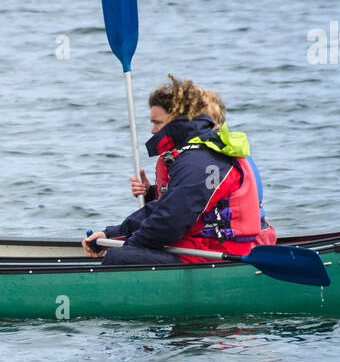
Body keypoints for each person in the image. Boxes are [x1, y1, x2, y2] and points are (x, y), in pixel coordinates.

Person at [83, 75, 269, 266]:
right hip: (204, 244)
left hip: (220, 251)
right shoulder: (196, 154)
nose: (153, 131)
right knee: (126, 250)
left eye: (157, 122)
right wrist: (112, 235)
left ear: (177, 120)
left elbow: (171, 221)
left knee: (119, 258)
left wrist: (128, 246)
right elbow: (165, 208)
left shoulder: (199, 161)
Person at [129, 85, 277, 245]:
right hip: (244, 236)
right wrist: (150, 192)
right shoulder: (208, 152)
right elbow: (177, 202)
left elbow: (181, 210)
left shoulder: (214, 157)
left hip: (244, 241)